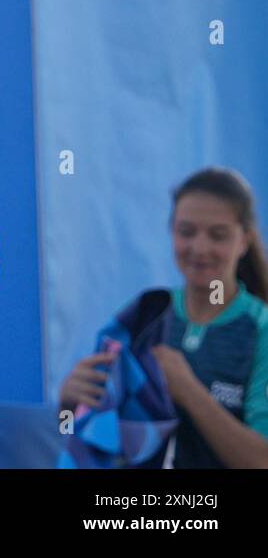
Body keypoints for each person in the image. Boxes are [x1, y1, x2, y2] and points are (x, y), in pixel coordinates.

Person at [59, 167, 268, 468]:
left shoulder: (259, 329)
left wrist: (190, 391)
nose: (200, 248)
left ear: (245, 240)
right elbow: (91, 436)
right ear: (171, 232)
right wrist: (70, 403)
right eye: (187, 232)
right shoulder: (144, 315)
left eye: (218, 235)